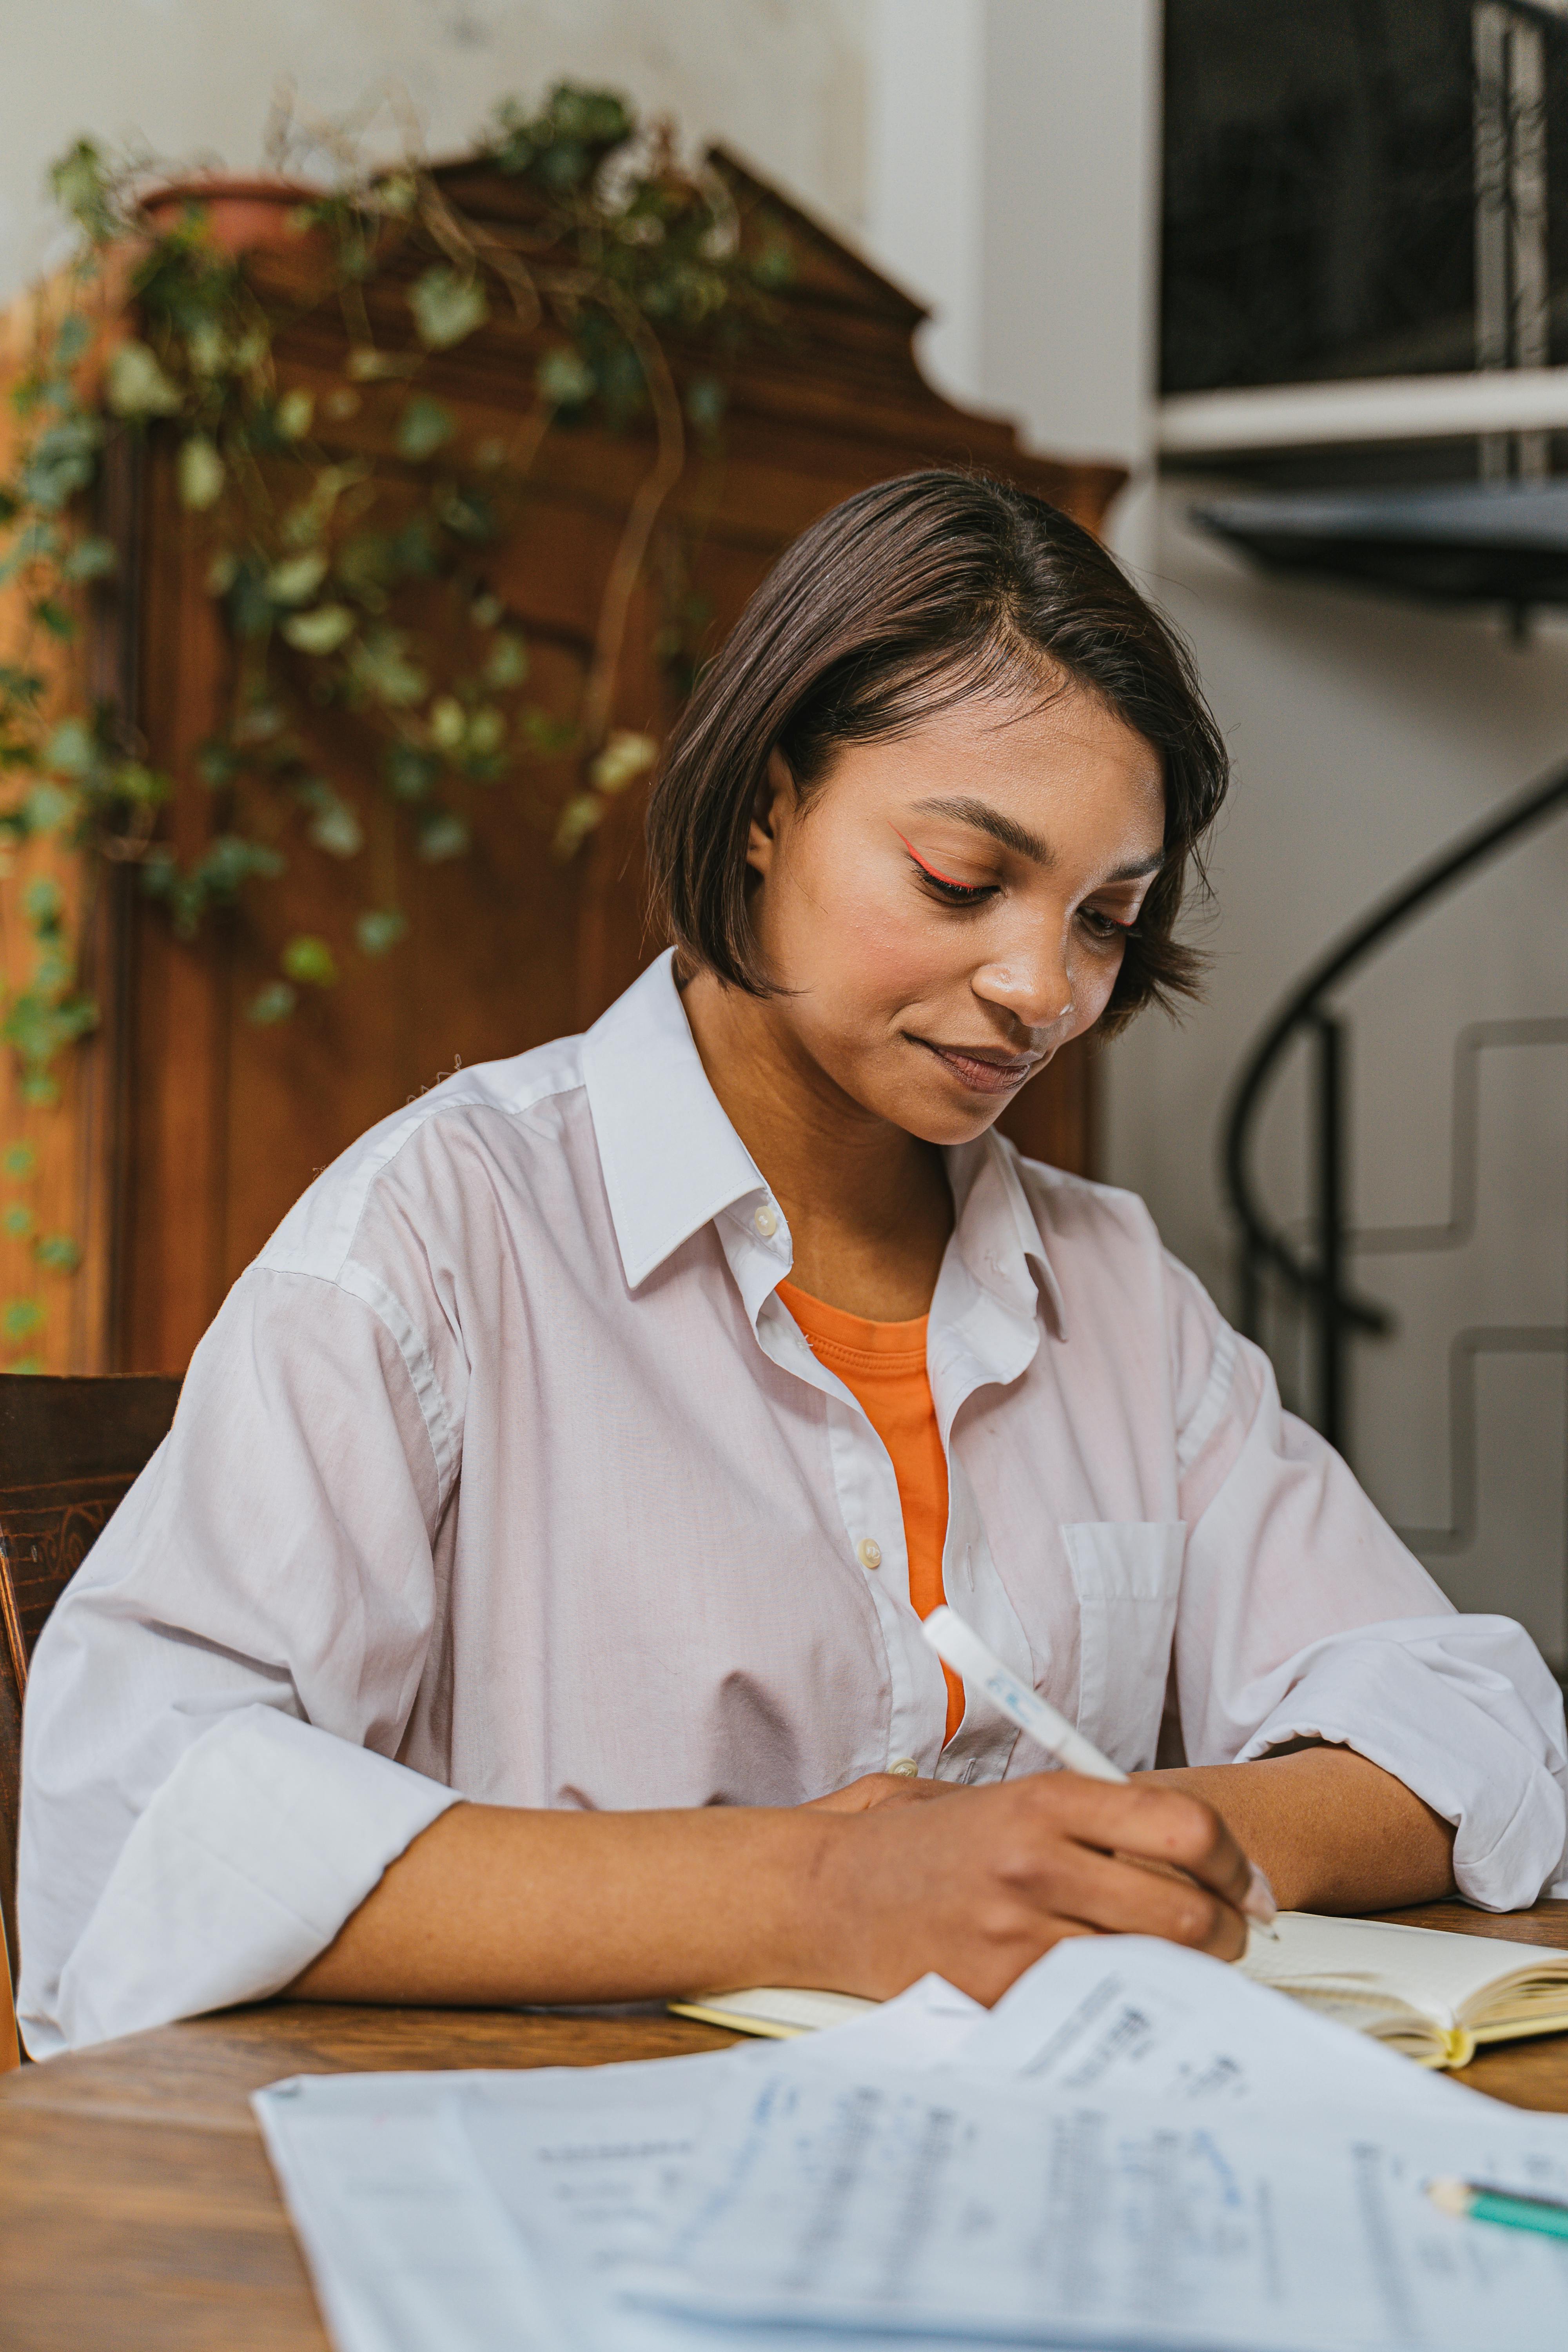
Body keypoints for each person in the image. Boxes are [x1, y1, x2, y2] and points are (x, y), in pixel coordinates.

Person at [18, 472, 1568, 2058]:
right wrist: (827, 1889)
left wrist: (1098, 1855)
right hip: (567, 2165)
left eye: (1105, 918)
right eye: (962, 880)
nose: (1043, 989)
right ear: (769, 806)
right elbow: (127, 1824)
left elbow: (1473, 1723)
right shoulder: (444, 1235)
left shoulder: (1112, 1293)